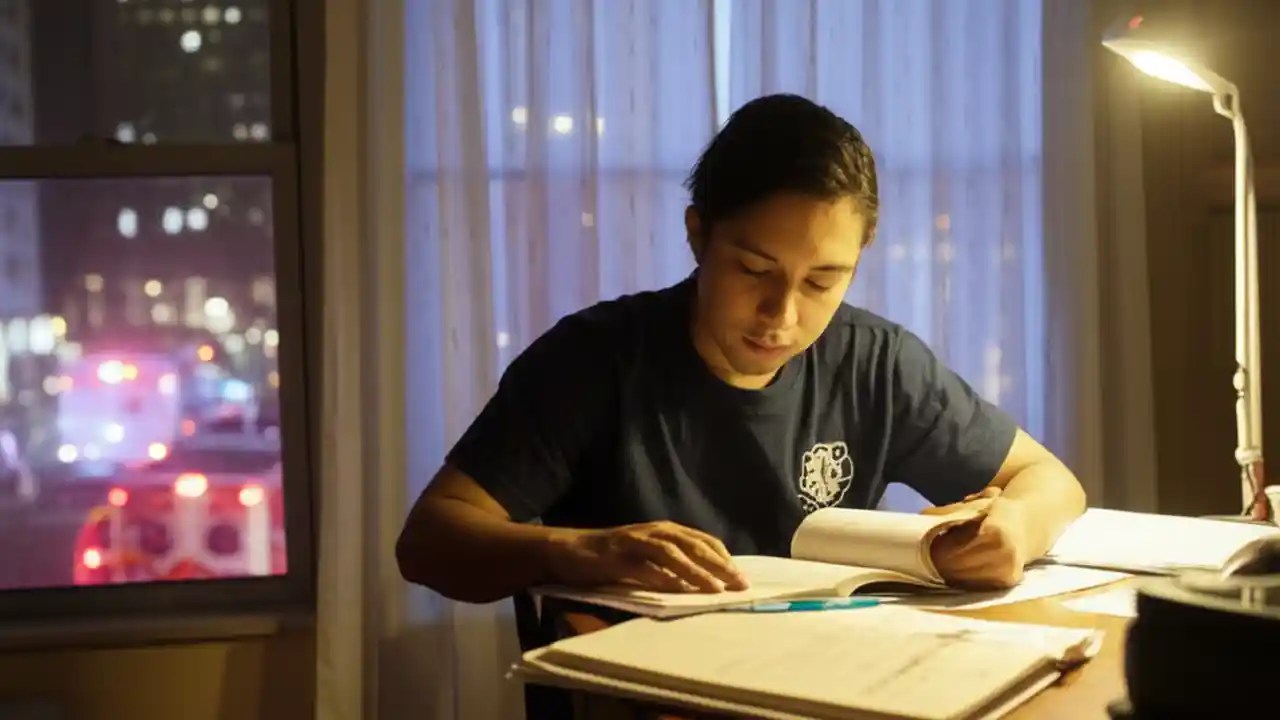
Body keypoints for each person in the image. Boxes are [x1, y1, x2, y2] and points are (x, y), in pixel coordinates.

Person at [396, 94, 1086, 604]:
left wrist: (1015, 528)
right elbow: (428, 542)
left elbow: (1054, 482)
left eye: (822, 280)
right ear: (698, 236)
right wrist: (580, 550)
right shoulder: (592, 360)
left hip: (827, 682)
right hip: (639, 694)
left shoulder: (875, 362)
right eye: (754, 271)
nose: (782, 316)